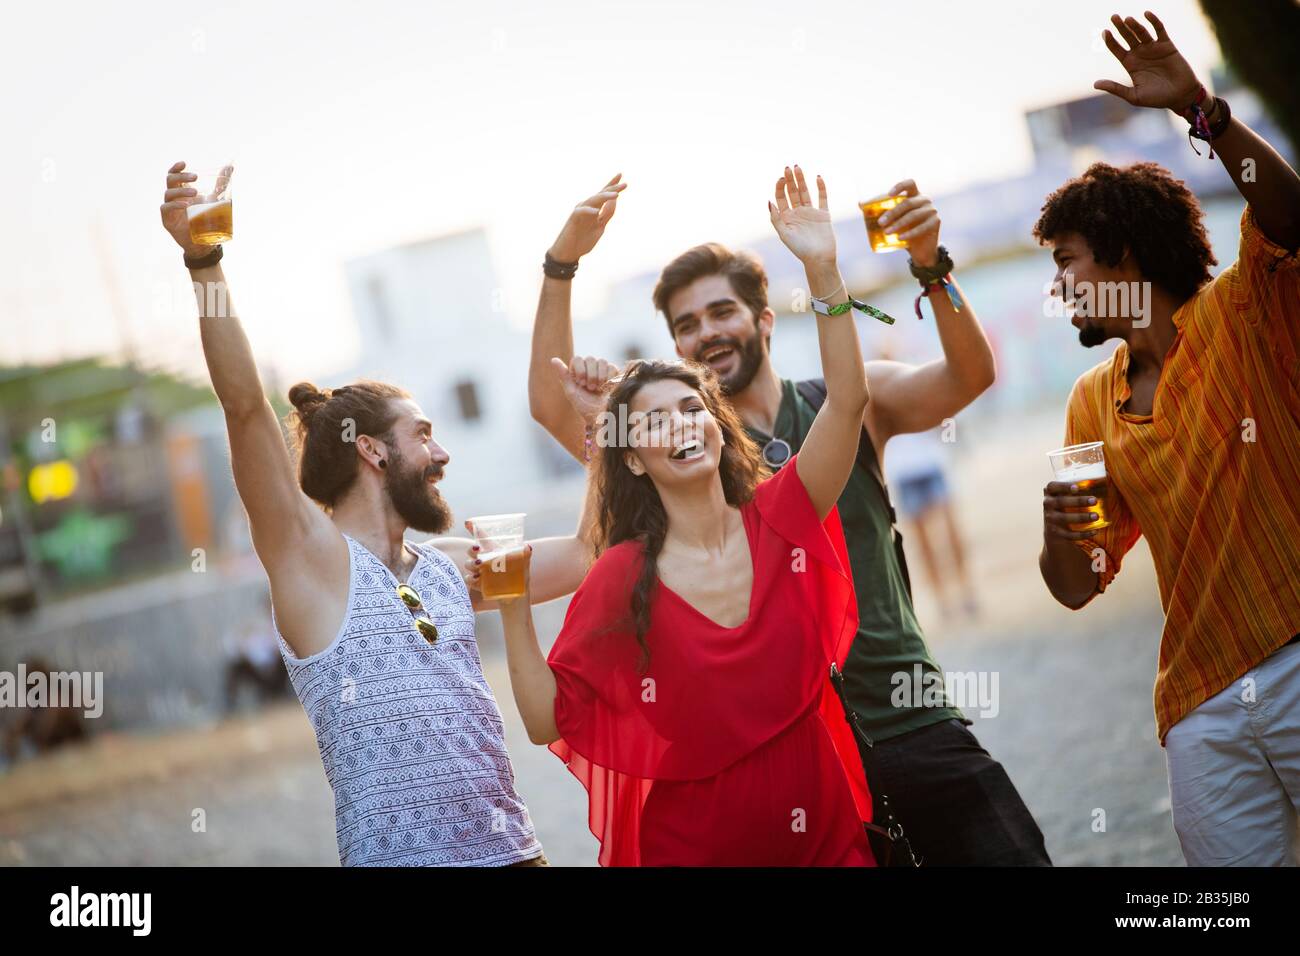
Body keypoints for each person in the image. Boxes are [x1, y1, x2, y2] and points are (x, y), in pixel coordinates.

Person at [528, 175, 1049, 864]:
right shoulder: (669, 451)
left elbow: (968, 376)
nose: (707, 332)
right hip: (797, 759)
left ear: (764, 319)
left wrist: (930, 265)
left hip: (908, 715)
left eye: (721, 312)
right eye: (686, 325)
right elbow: (553, 403)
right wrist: (561, 267)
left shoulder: (846, 404)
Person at [158, 161, 596, 867]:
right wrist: (204, 261)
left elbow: (587, 553)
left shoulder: (453, 568)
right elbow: (245, 410)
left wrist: (603, 432)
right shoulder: (313, 563)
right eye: (422, 433)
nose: (442, 452)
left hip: (520, 856)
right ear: (369, 450)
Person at [491, 168, 876, 866]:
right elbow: (548, 718)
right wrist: (512, 605)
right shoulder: (621, 574)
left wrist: (822, 269)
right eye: (656, 421)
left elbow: (847, 401)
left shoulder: (784, 513)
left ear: (720, 426)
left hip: (825, 836)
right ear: (631, 457)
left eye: (693, 408)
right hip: (692, 848)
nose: (682, 425)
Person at [1036, 12, 1300, 865]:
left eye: (1067, 260)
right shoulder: (1089, 403)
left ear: (1121, 255)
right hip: (1198, 704)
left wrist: (1204, 112)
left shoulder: (1242, 310)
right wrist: (1059, 537)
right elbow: (1078, 586)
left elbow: (1289, 215)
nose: (1060, 285)